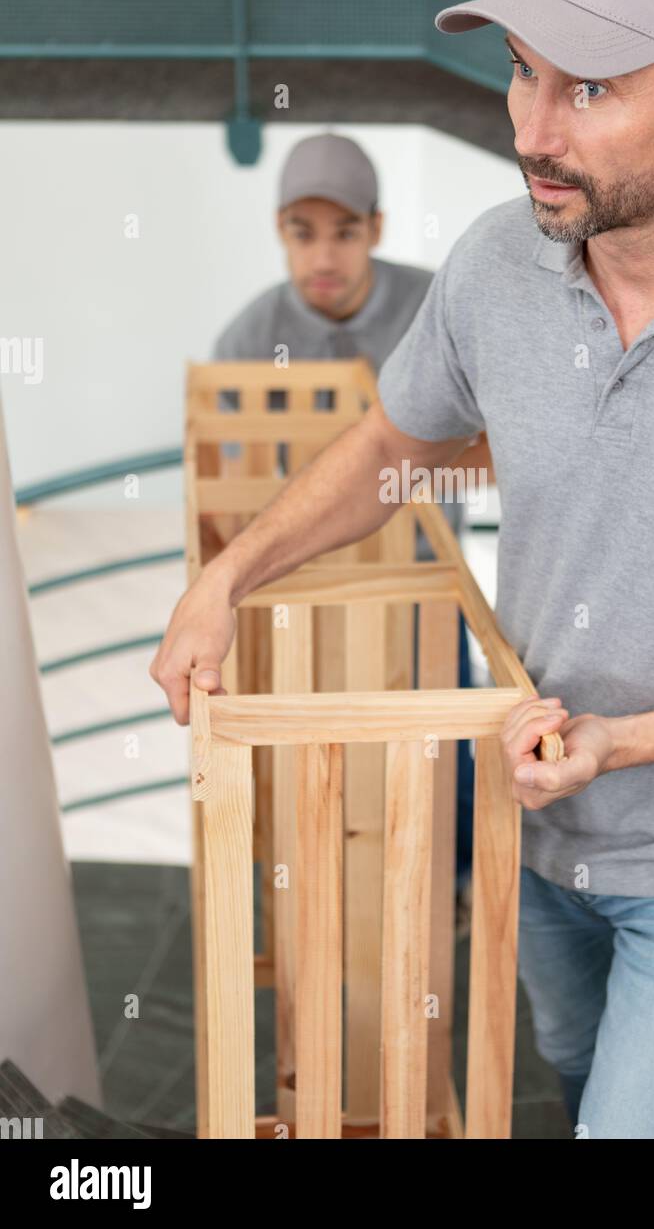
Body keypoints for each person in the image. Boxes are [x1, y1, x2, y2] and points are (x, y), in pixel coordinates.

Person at [151, 0, 654, 1139]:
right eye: (524, 71)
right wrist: (227, 576)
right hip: (531, 826)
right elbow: (389, 446)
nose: (530, 127)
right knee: (572, 1074)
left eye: (585, 88)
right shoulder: (497, 262)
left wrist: (629, 741)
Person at [210, 131, 483, 909]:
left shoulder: (436, 307)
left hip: (423, 581)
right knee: (308, 740)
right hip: (301, 588)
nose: (323, 256)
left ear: (377, 229)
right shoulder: (248, 340)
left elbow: (496, 441)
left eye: (344, 232)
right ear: (279, 232)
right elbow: (236, 482)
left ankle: (454, 882)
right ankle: (297, 880)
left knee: (448, 741)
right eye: (303, 233)